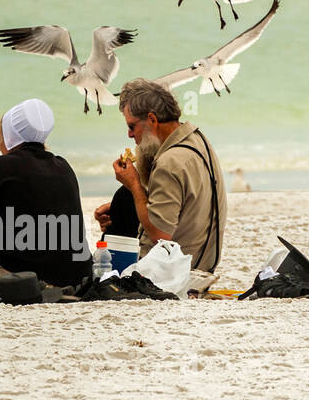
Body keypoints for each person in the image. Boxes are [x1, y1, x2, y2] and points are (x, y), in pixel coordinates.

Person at [94, 79, 227, 273]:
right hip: (203, 261)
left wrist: (134, 185)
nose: (130, 135)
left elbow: (159, 234)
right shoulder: (196, 139)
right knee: (124, 201)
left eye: (132, 127)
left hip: (178, 271)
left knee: (128, 193)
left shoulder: (169, 163)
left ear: (152, 120)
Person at [0, 99, 92, 294]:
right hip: (77, 274)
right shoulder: (63, 166)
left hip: (28, 277)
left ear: (11, 137)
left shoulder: (4, 166)